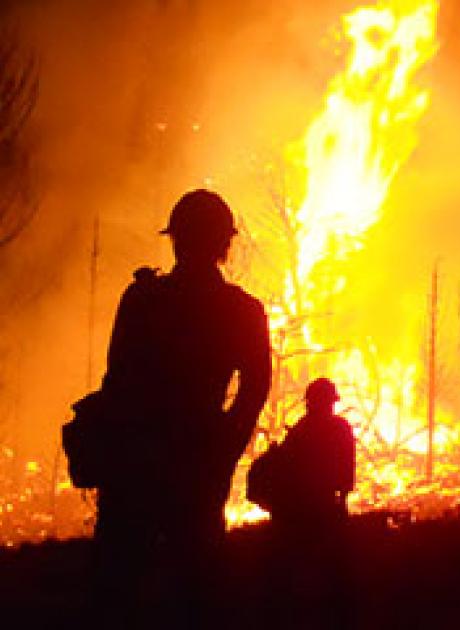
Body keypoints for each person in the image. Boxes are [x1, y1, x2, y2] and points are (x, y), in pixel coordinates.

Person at [94, 189, 271, 622]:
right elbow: (255, 389)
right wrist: (225, 447)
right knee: (197, 587)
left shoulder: (143, 299)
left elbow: (116, 379)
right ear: (224, 244)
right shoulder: (241, 311)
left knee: (120, 586)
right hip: (196, 461)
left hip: (136, 462)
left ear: (176, 240)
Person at [265, 378, 356, 625]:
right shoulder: (338, 429)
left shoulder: (302, 430)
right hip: (323, 508)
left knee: (308, 572)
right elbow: (347, 471)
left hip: (305, 511)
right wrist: (342, 498)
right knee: (331, 571)